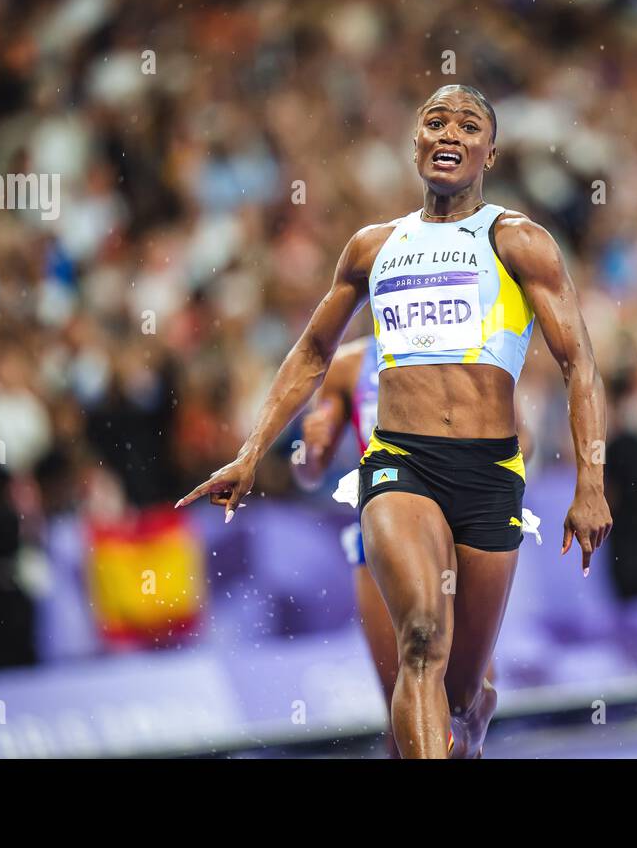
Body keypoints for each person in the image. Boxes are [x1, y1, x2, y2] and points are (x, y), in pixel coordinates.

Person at [177, 84, 612, 758]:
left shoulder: (517, 242)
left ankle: (471, 711)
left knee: (460, 697)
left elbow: (578, 362)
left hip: (491, 472)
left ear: (488, 152)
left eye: (468, 126)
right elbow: (313, 351)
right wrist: (252, 450)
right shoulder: (373, 246)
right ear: (415, 144)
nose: (449, 134)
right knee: (420, 644)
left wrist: (591, 481)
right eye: (434, 122)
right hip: (399, 462)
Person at [292, 335, 539, 756]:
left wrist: (483, 481)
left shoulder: (465, 347)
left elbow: (523, 438)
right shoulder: (350, 366)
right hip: (383, 538)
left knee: (465, 700)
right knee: (403, 704)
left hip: (458, 534)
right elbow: (309, 473)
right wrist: (307, 451)